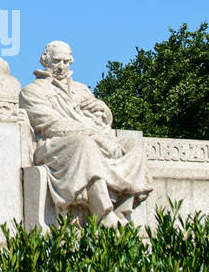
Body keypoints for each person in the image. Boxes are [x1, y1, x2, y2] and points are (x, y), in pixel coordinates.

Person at [19, 41, 153, 226]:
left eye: (66, 61)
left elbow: (102, 119)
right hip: (54, 147)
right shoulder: (32, 91)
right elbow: (51, 124)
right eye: (57, 61)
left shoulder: (81, 89)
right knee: (84, 144)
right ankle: (104, 214)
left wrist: (103, 110)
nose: (62, 66)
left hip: (92, 141)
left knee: (133, 147)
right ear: (45, 60)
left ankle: (122, 212)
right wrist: (95, 136)